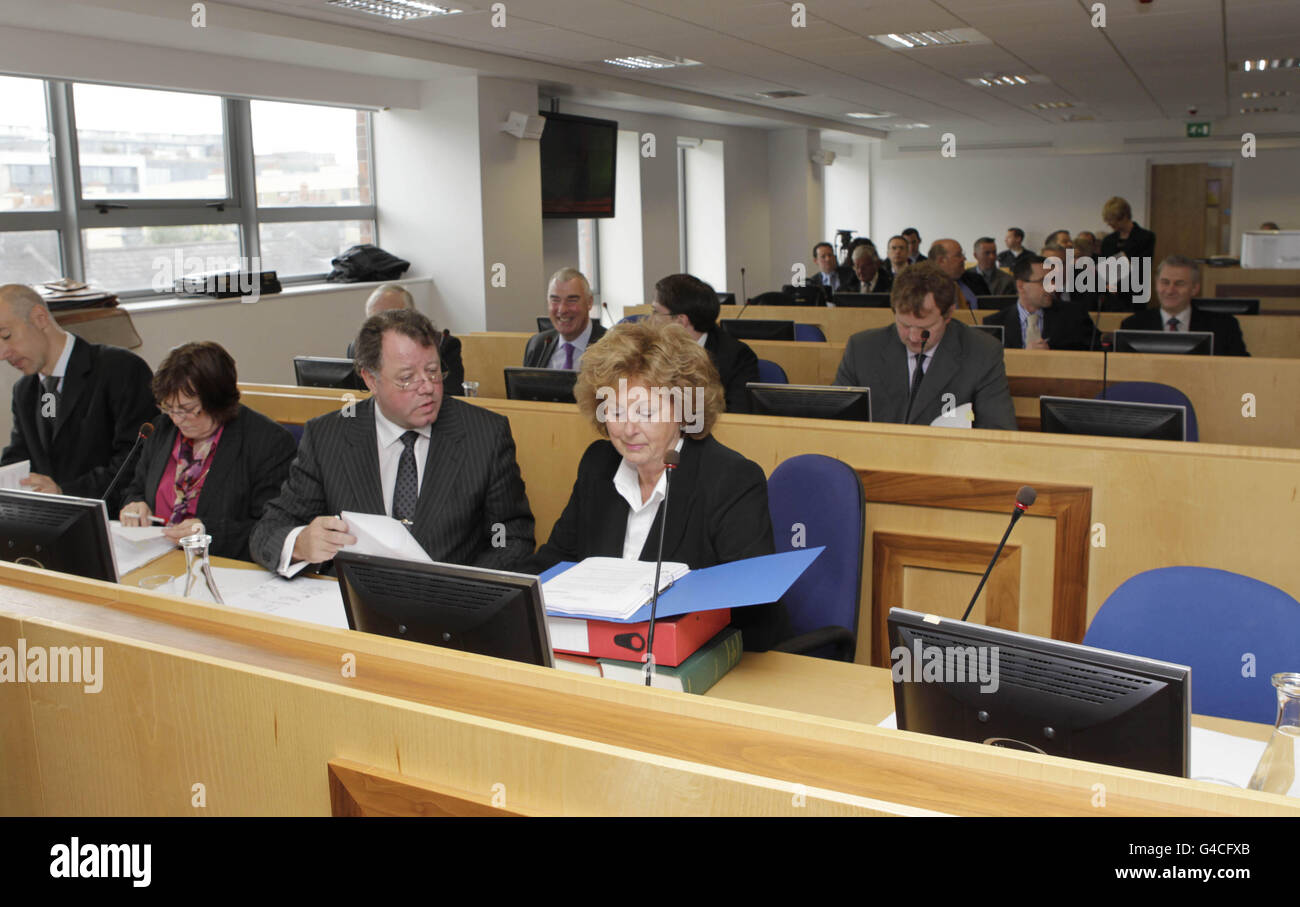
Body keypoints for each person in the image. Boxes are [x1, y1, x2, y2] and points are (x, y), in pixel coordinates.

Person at [529, 320, 786, 650]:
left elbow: (754, 614)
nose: (628, 428)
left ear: (683, 410)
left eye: (645, 412)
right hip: (598, 656)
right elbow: (555, 562)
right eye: (616, 411)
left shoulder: (731, 479)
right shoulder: (598, 465)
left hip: (695, 661)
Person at [250, 308, 536, 576]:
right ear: (370, 380)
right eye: (407, 378)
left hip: (453, 612)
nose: (427, 387)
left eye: (433, 371)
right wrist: (300, 543)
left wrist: (468, 586)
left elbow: (513, 537)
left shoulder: (485, 434)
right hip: (350, 608)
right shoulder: (327, 437)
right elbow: (269, 530)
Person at [118, 342, 297, 560]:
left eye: (188, 410)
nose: (176, 419)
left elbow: (274, 528)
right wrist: (135, 505)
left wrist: (208, 533)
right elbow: (136, 488)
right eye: (169, 408)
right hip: (155, 559)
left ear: (218, 401)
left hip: (222, 566)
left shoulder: (268, 442)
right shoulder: (162, 430)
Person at [0, 284, 155, 506]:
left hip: (116, 521)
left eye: (6, 336)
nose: (2, 353)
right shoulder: (27, 391)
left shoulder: (119, 369)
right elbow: (20, 457)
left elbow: (136, 460)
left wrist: (65, 492)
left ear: (39, 318)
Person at [833, 262, 1017, 430]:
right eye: (904, 325)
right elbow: (836, 422)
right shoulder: (861, 349)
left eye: (925, 328)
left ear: (948, 315)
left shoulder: (982, 352)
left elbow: (998, 430)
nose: (913, 337)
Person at [649, 273, 759, 414]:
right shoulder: (651, 348)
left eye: (655, 312)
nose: (650, 319)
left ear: (680, 320)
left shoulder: (737, 357)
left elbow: (736, 415)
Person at [347, 284, 464, 396]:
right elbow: (355, 396)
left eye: (389, 320)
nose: (381, 329)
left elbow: (451, 398)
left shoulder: (443, 346)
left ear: (411, 317)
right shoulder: (356, 349)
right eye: (373, 321)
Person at [1119, 256, 1248, 356]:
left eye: (1179, 284)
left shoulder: (1224, 327)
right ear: (1156, 285)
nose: (1170, 290)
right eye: (1165, 282)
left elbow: (1241, 369)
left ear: (1194, 288)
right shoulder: (1133, 325)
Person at [982, 254, 1098, 351]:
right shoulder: (994, 323)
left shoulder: (1074, 314)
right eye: (1043, 281)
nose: (1052, 287)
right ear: (1021, 286)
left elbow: (1094, 351)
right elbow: (987, 365)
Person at [524, 268, 605, 369]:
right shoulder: (537, 345)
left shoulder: (613, 348)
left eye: (572, 300)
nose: (562, 310)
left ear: (589, 302)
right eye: (555, 300)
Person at [929, 239, 986, 309]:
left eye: (962, 254)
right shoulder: (924, 287)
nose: (964, 258)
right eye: (958, 255)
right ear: (941, 260)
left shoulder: (976, 280)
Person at [1100, 196, 1156, 262]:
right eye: (1108, 220)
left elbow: (1144, 268)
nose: (1109, 224)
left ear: (1124, 217)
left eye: (1112, 220)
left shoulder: (1146, 238)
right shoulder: (1107, 241)